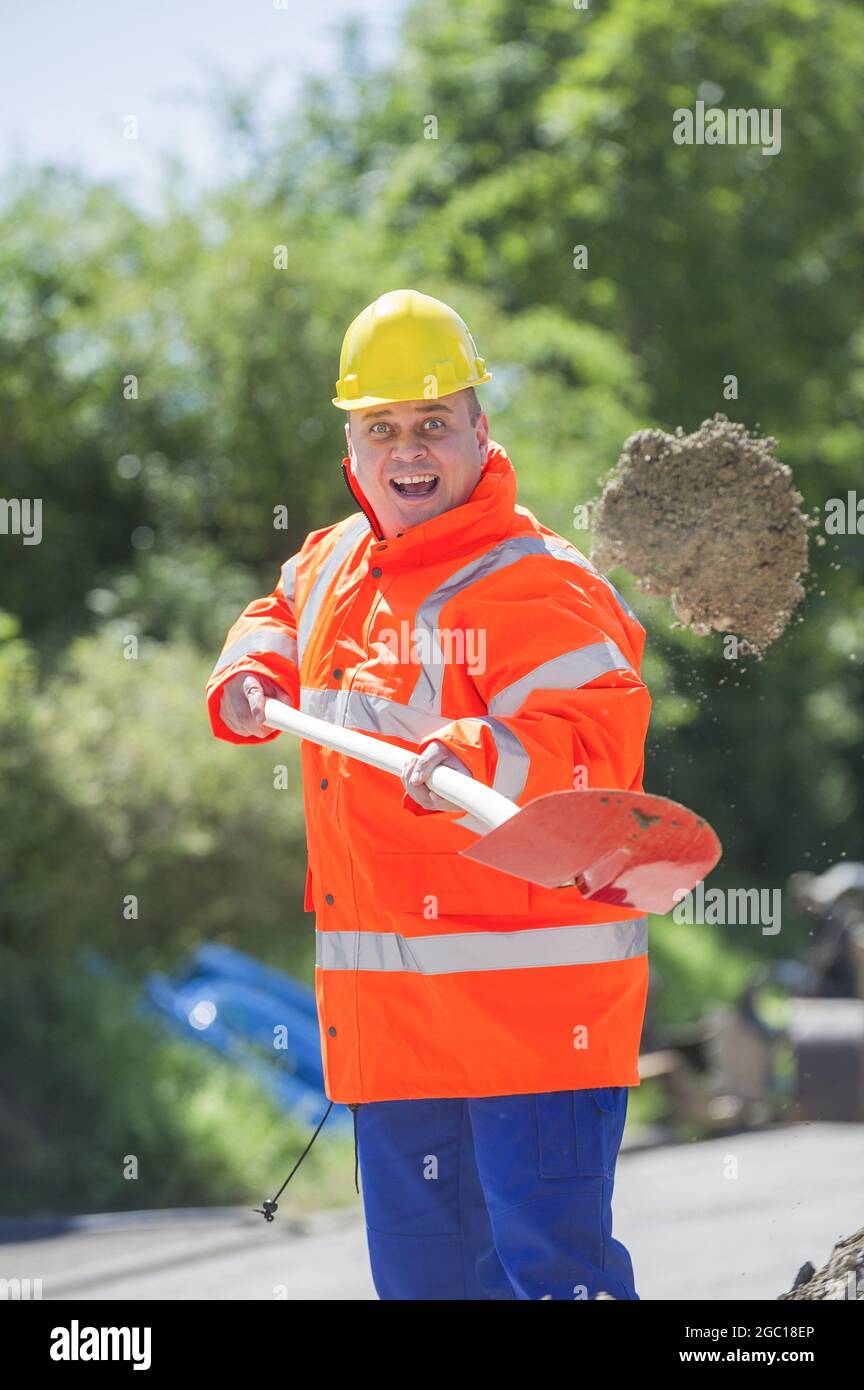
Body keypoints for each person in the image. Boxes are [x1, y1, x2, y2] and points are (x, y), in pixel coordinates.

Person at [206, 289, 652, 1300]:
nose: (409, 449)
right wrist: (250, 668)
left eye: (432, 423)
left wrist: (472, 752)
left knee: (554, 1280)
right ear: (350, 450)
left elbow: (599, 753)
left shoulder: (537, 584)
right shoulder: (330, 568)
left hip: (534, 1031)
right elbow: (275, 611)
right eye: (383, 427)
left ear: (479, 431)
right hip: (395, 1032)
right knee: (430, 1291)